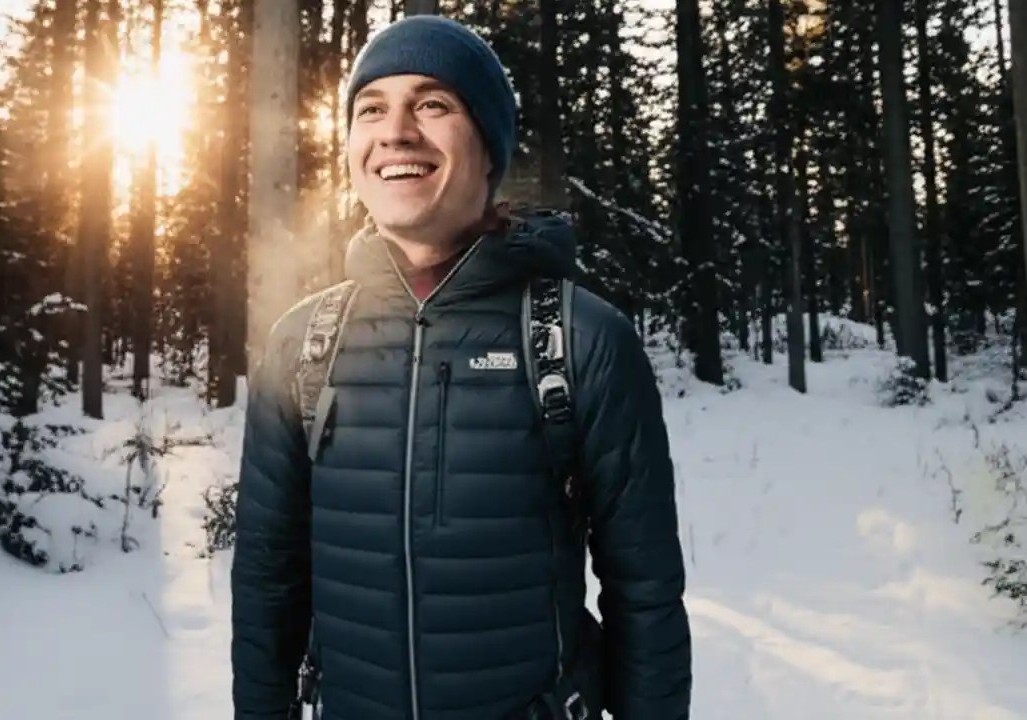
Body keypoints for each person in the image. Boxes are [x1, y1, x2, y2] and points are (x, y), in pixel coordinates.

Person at [232, 15, 691, 720]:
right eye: (371, 109)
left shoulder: (581, 340)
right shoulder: (302, 346)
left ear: (488, 149)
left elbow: (645, 594)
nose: (396, 131)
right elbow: (267, 589)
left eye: (433, 104)